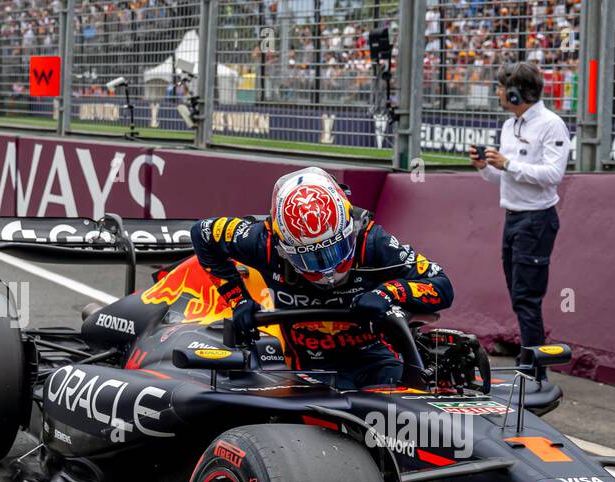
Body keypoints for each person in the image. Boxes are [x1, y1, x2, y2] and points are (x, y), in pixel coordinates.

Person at [190, 166, 453, 389]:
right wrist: (238, 302)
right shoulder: (263, 240)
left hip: (373, 358)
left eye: (335, 249)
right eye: (311, 257)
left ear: (349, 228)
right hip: (304, 369)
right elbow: (202, 233)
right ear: (284, 246)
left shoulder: (373, 241)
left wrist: (388, 293)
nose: (328, 268)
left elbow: (441, 285)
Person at [468, 61, 569, 362]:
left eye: (501, 87)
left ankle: (533, 367)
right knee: (519, 296)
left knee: (526, 298)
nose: (497, 92)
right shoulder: (510, 126)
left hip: (536, 220)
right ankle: (532, 358)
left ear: (515, 94)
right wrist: (485, 167)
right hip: (513, 217)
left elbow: (553, 174)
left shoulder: (551, 125)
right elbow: (505, 177)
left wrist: (508, 164)